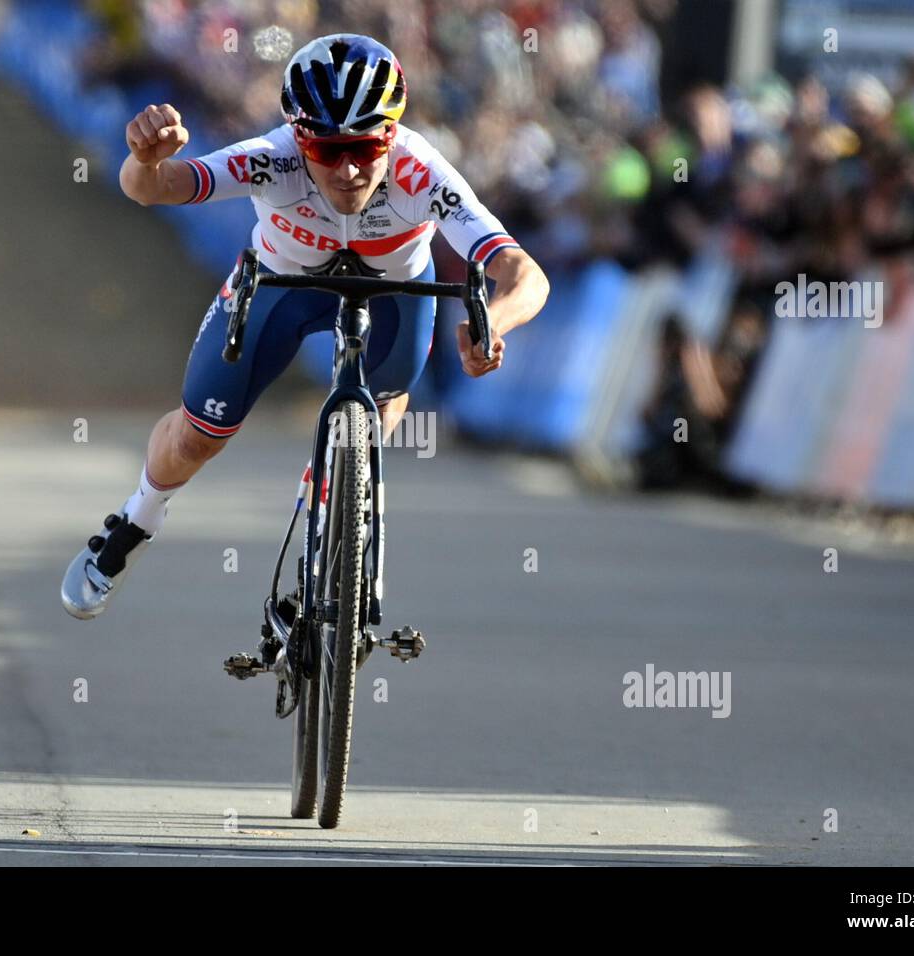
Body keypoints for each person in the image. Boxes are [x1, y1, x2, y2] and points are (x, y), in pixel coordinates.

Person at [62, 34, 550, 619]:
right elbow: (151, 189)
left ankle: (336, 514)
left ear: (392, 136)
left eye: (367, 149)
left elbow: (526, 274)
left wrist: (491, 321)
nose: (347, 169)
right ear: (299, 138)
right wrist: (145, 159)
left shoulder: (422, 170)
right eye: (326, 149)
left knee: (376, 412)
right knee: (198, 437)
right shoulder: (274, 159)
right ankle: (138, 517)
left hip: (394, 296)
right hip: (281, 288)